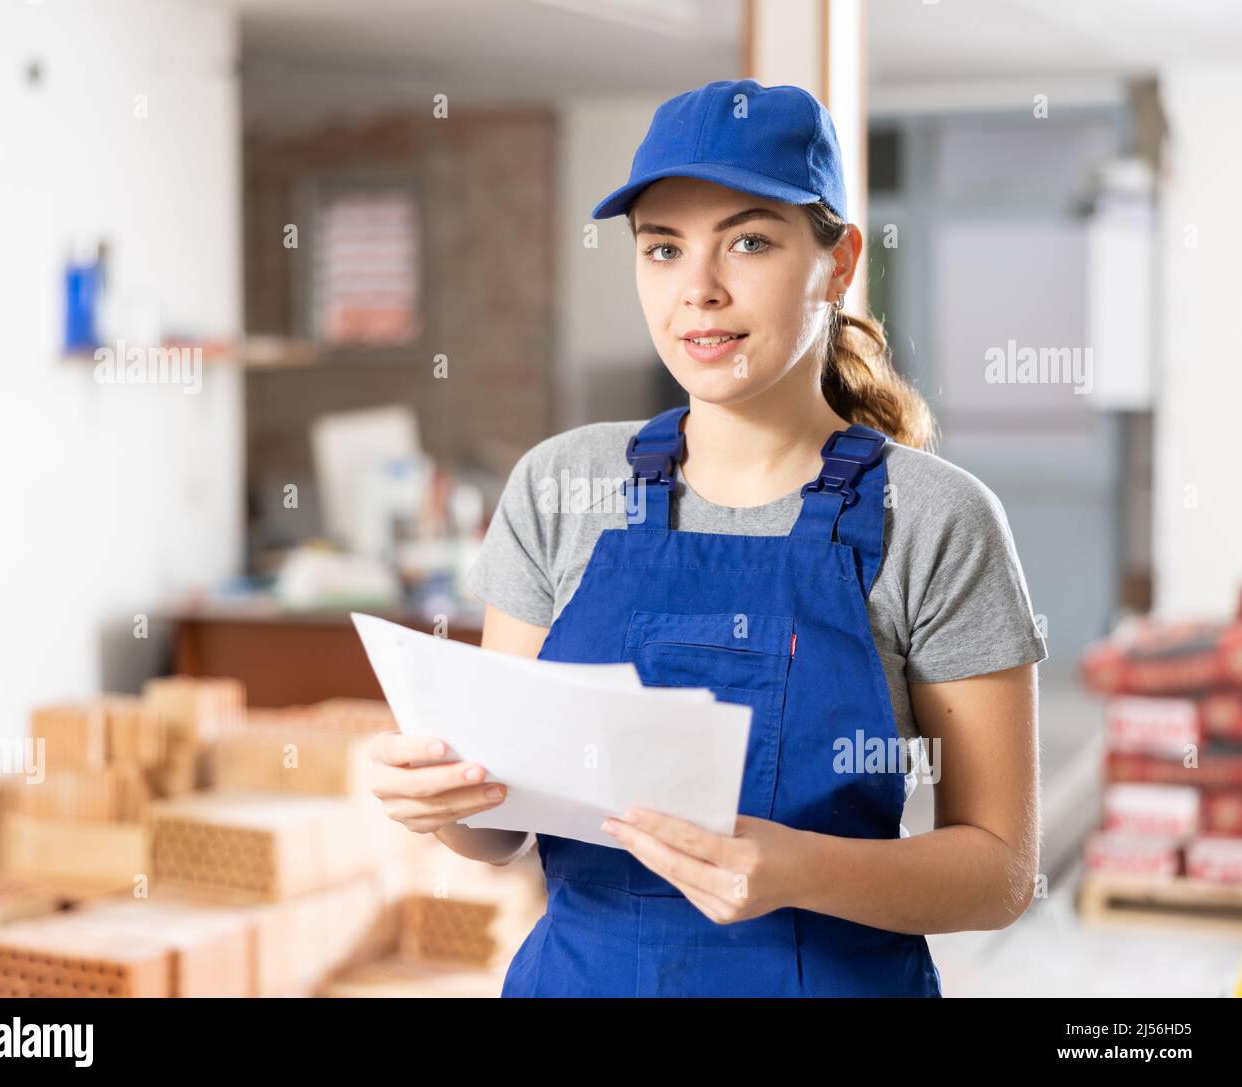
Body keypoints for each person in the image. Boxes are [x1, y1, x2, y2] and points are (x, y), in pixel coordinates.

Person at [368, 78, 1047, 997]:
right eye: (662, 247)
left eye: (751, 240)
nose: (699, 290)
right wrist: (444, 806)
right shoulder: (562, 488)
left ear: (839, 261)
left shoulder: (935, 518)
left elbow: (1001, 869)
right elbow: (503, 825)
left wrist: (799, 869)